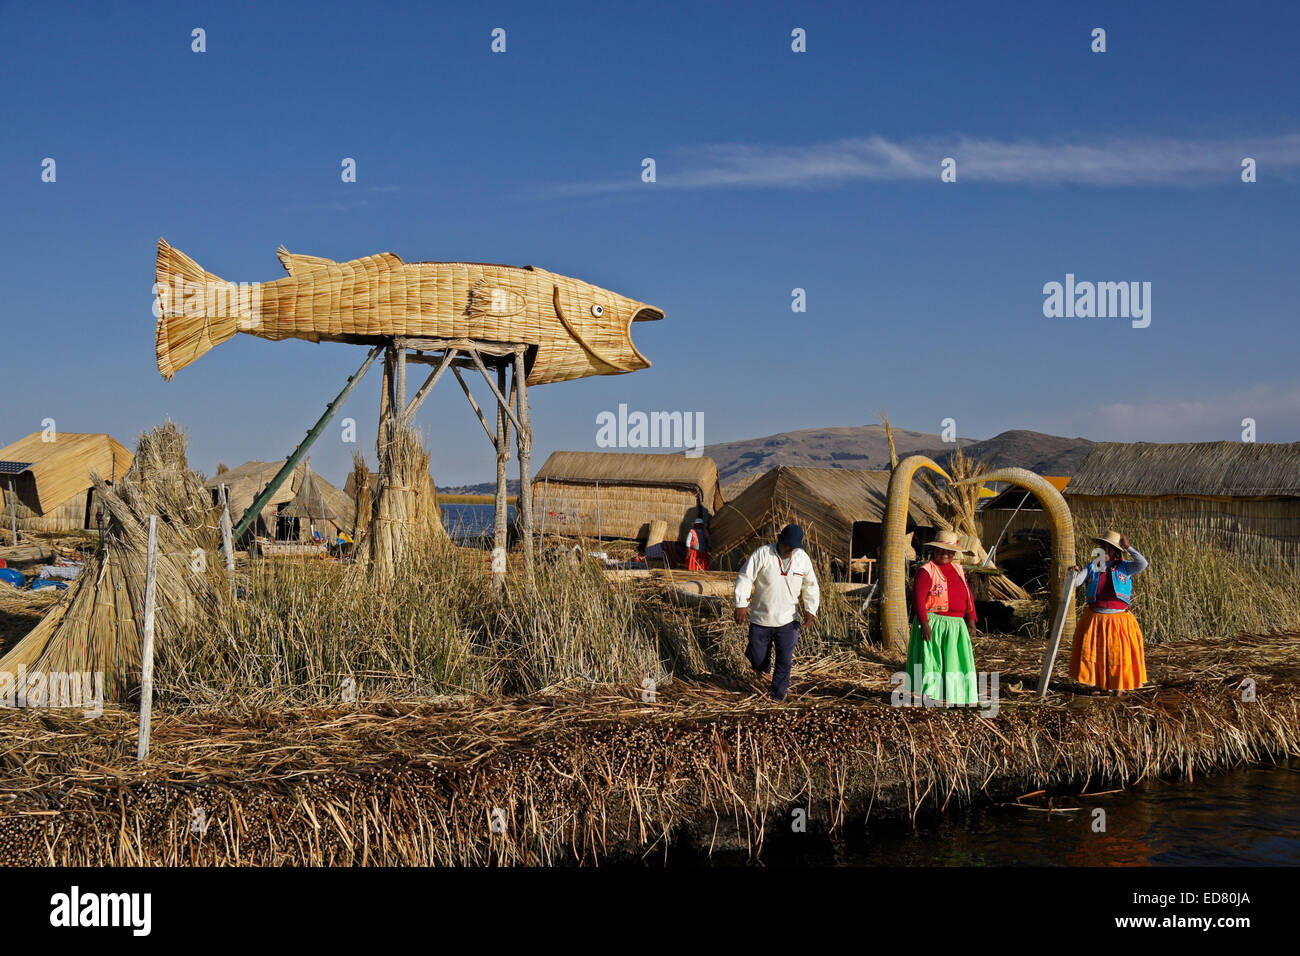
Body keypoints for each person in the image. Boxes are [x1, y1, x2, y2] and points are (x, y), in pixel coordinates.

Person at [733, 524, 820, 701]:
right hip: (761, 618)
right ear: (779, 540)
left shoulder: (802, 558)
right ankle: (762, 666)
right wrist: (741, 603)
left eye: (794, 547)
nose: (790, 550)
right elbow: (745, 576)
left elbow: (811, 585)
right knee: (756, 658)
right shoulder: (763, 553)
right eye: (787, 545)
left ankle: (777, 698)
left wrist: (811, 609)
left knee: (784, 660)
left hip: (789, 619)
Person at [1067, 530, 1149, 694]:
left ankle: (1118, 685)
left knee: (1117, 655)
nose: (1103, 550)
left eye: (1108, 547)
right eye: (1102, 547)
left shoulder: (1126, 567)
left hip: (1118, 620)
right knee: (1098, 654)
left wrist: (1129, 547)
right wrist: (1073, 572)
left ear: (1115, 551)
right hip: (1095, 619)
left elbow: (1143, 564)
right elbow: (1076, 583)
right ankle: (1101, 684)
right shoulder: (1093, 566)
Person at [906, 530, 979, 706]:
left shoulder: (958, 569)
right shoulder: (926, 571)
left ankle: (954, 696)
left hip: (956, 624)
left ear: (954, 554)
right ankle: (929, 698)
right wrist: (924, 623)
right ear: (934, 550)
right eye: (940, 550)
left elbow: (967, 595)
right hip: (934, 623)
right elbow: (918, 598)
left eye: (949, 551)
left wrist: (971, 620)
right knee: (932, 661)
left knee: (955, 660)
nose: (944, 554)